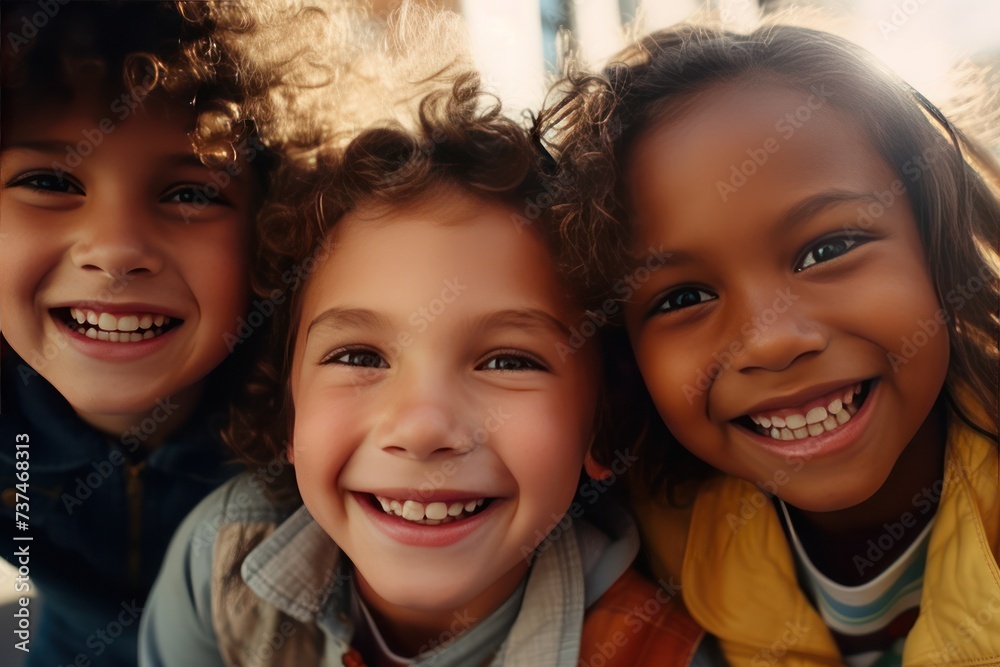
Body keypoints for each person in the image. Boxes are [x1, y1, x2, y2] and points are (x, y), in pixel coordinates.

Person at [139, 75, 711, 667]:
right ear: (290, 411)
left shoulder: (657, 653)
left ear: (603, 424)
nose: (422, 428)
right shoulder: (220, 564)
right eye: (360, 357)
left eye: (507, 362)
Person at [539, 22, 1000, 666]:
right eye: (683, 298)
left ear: (935, 240)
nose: (773, 341)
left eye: (828, 250)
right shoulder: (640, 533)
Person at [0, 2, 292, 663]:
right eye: (48, 181)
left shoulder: (308, 420)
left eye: (191, 193)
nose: (116, 248)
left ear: (271, 232)